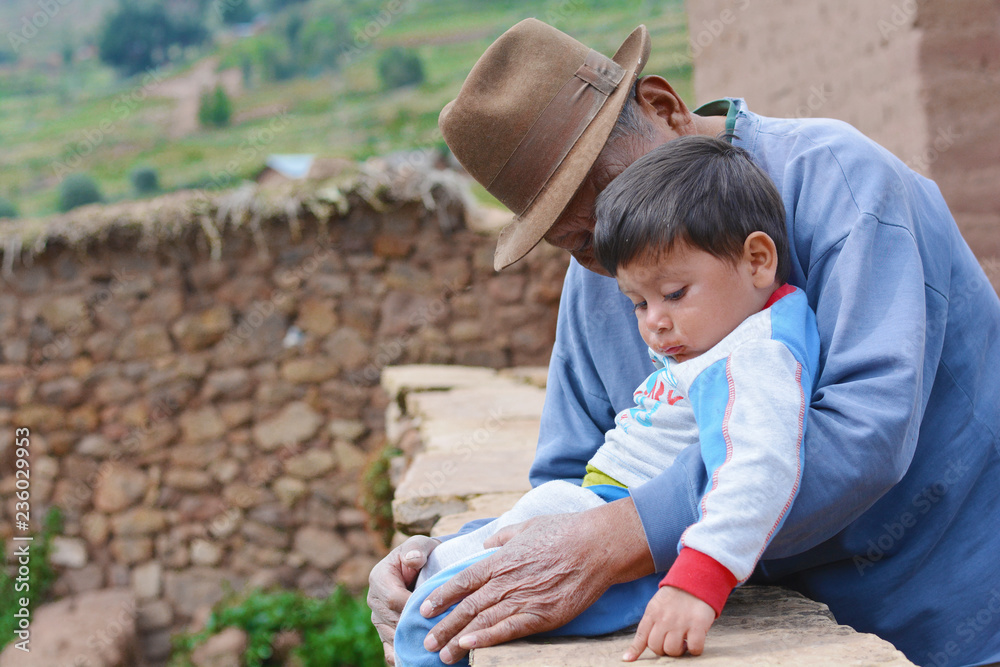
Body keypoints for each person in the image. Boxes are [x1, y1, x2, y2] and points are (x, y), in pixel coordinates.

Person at [368, 19, 1000, 667]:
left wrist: (622, 535)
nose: (613, 254)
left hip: (961, 616)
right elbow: (575, 476)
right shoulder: (600, 280)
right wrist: (456, 553)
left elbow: (866, 434)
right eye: (579, 242)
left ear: (664, 109)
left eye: (609, 193)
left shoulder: (840, 180)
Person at [392, 136, 820, 665]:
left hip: (628, 549)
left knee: (435, 622)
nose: (654, 321)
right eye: (638, 303)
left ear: (757, 260)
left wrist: (699, 580)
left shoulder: (753, 355)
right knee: (444, 570)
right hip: (588, 507)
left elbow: (760, 466)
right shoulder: (719, 339)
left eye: (674, 294)